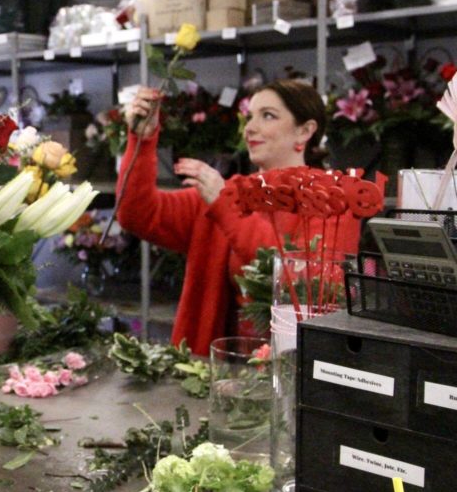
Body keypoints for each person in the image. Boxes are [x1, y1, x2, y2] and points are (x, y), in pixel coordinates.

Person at [117, 79, 365, 355]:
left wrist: (227, 208)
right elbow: (136, 214)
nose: (250, 128)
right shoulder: (225, 191)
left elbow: (306, 284)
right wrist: (142, 139)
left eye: (267, 116)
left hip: (296, 366)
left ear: (305, 131)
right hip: (218, 367)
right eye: (249, 117)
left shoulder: (334, 199)